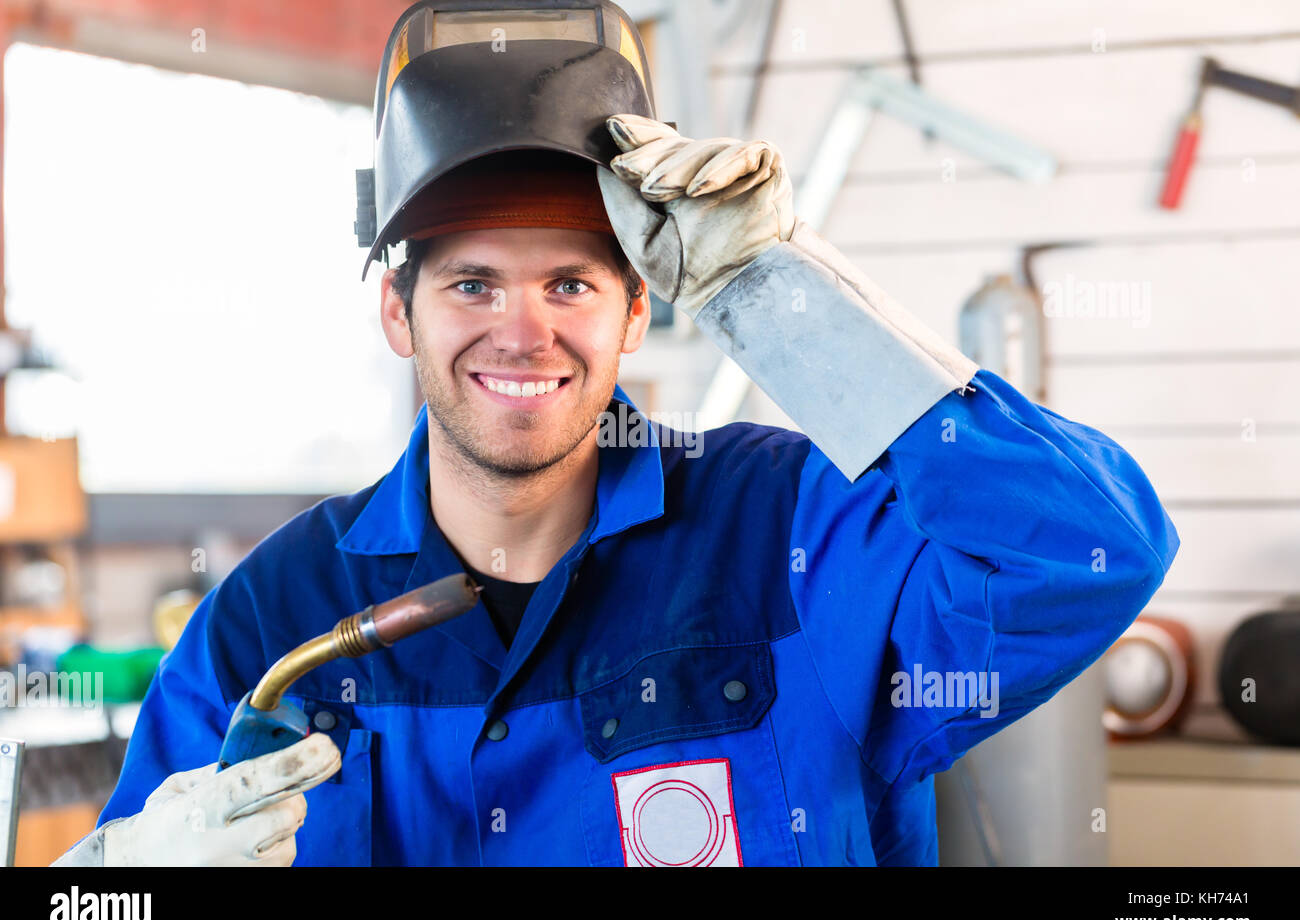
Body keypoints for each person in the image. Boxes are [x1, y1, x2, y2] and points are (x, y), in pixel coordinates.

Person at [53, 3, 1178, 867]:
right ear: (398, 312)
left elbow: (1092, 547)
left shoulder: (786, 529)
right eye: (472, 283)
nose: (523, 329)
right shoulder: (276, 615)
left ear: (640, 307)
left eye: (571, 283)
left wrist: (781, 292)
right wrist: (124, 878)